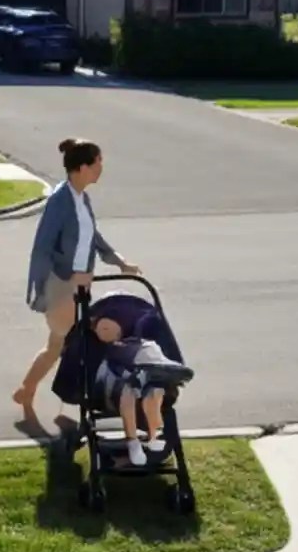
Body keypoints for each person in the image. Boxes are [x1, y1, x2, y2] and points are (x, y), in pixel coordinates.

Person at [14, 137, 140, 411]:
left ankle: (27, 390)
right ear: (82, 167)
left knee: (58, 345)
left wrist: (118, 261)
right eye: (97, 162)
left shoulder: (81, 199)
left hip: (78, 287)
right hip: (62, 287)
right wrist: (69, 278)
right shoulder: (60, 201)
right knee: (85, 340)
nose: (101, 167)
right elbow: (42, 248)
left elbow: (93, 237)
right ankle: (90, 401)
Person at [91, 316, 194, 466]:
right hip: (115, 390)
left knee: (152, 384)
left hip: (146, 389)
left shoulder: (142, 342)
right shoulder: (108, 351)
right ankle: (134, 442)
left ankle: (154, 369)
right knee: (131, 385)